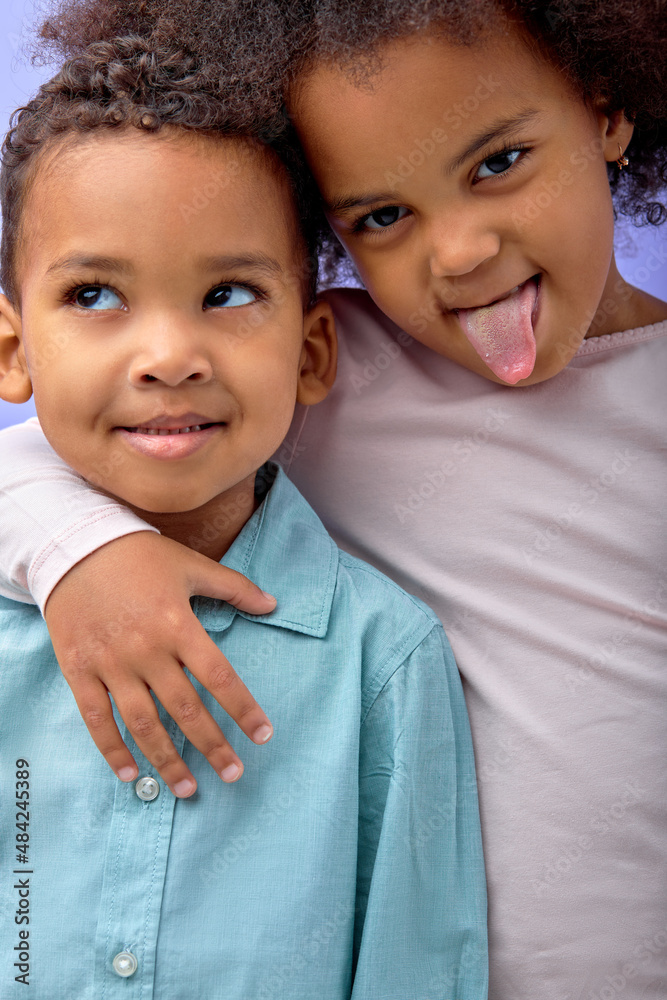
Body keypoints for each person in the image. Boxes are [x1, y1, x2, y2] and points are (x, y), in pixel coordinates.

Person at [0, 0, 665, 997]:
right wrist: (81, 551)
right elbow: (45, 442)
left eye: (497, 163)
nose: (458, 253)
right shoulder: (314, 367)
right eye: (382, 217)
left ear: (606, 111)